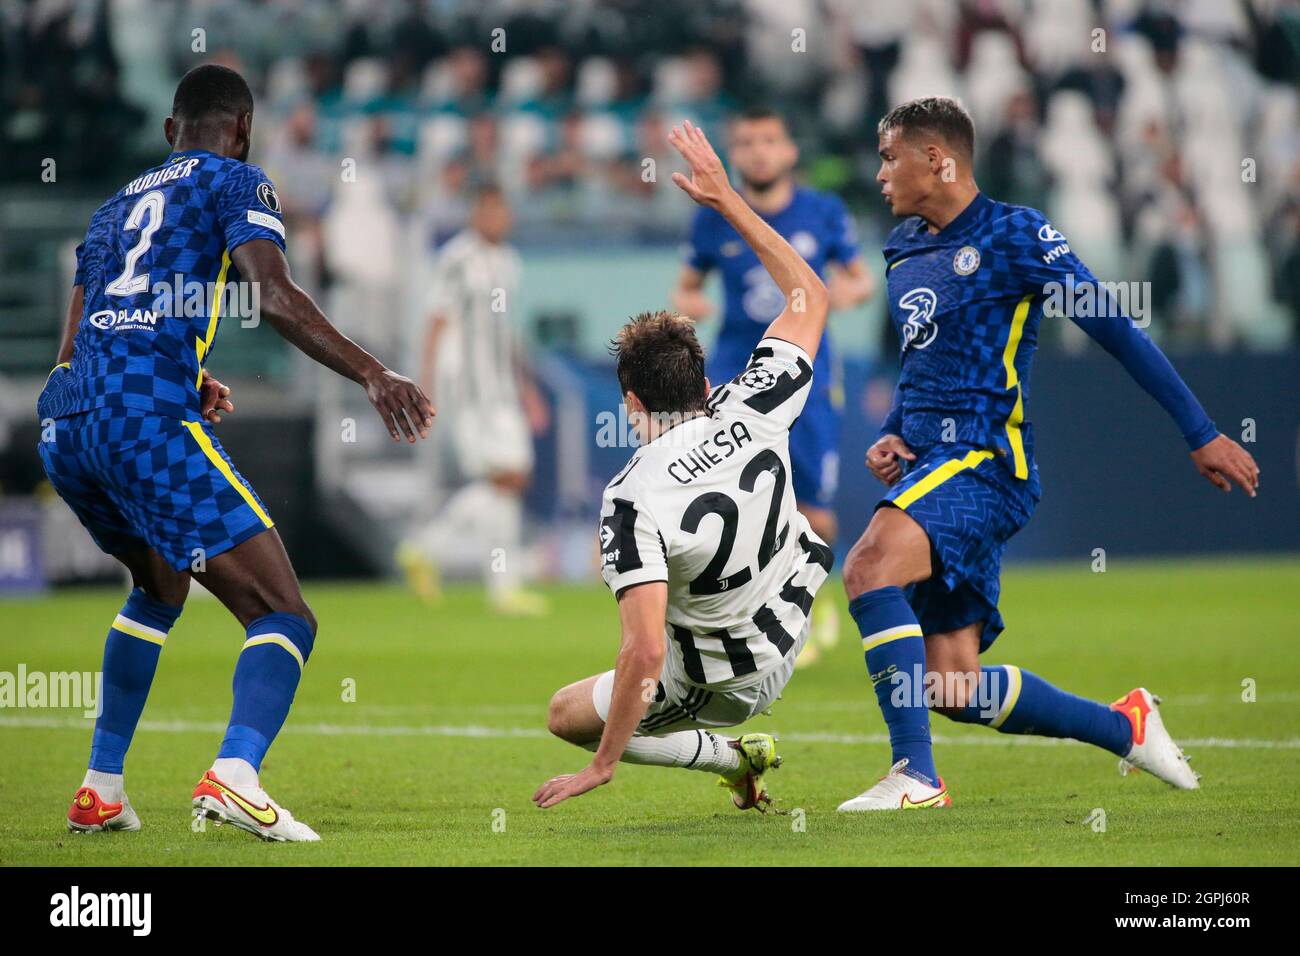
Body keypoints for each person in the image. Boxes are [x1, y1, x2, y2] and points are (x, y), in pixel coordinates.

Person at [39, 64, 434, 841]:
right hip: (138, 420)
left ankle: (101, 788)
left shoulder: (115, 204)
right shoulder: (236, 180)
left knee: (158, 588)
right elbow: (272, 292)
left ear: (167, 131)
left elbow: (81, 338)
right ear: (243, 129)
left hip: (65, 421)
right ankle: (235, 774)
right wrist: (373, 372)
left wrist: (183, 374)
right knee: (284, 613)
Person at [837, 97, 1259, 811]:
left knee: (868, 564)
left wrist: (1201, 431)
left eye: (889, 157)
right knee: (951, 687)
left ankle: (915, 776)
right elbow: (923, 361)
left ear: (939, 160)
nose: (879, 174)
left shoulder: (1016, 235)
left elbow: (1116, 329)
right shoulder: (905, 246)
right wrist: (895, 427)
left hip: (987, 463)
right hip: (932, 467)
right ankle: (1125, 725)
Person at [534, 121, 832, 812]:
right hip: (793, 622)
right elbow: (809, 297)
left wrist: (602, 766)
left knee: (566, 713)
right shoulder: (753, 401)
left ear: (632, 400)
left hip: (724, 686)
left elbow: (640, 654)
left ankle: (729, 756)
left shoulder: (632, 497)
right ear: (703, 378)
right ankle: (737, 751)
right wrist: (728, 200)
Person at [672, 108, 873, 667]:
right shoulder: (713, 216)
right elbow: (686, 288)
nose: (758, 150)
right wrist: (694, 308)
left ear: (789, 152)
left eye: (769, 139)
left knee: (817, 507)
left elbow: (860, 280)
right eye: (746, 142)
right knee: (741, 494)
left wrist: (828, 294)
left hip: (808, 370)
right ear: (735, 156)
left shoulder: (823, 212)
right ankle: (752, 611)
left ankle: (813, 599)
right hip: (739, 371)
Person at [397, 185, 549, 615]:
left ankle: (431, 552)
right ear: (476, 214)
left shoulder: (509, 262)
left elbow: (509, 333)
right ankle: (497, 583)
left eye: (504, 212)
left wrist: (529, 388)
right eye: (491, 211)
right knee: (508, 478)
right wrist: (425, 388)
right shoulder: (457, 259)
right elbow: (436, 321)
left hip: (503, 389)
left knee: (505, 483)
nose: (499, 219)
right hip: (470, 389)